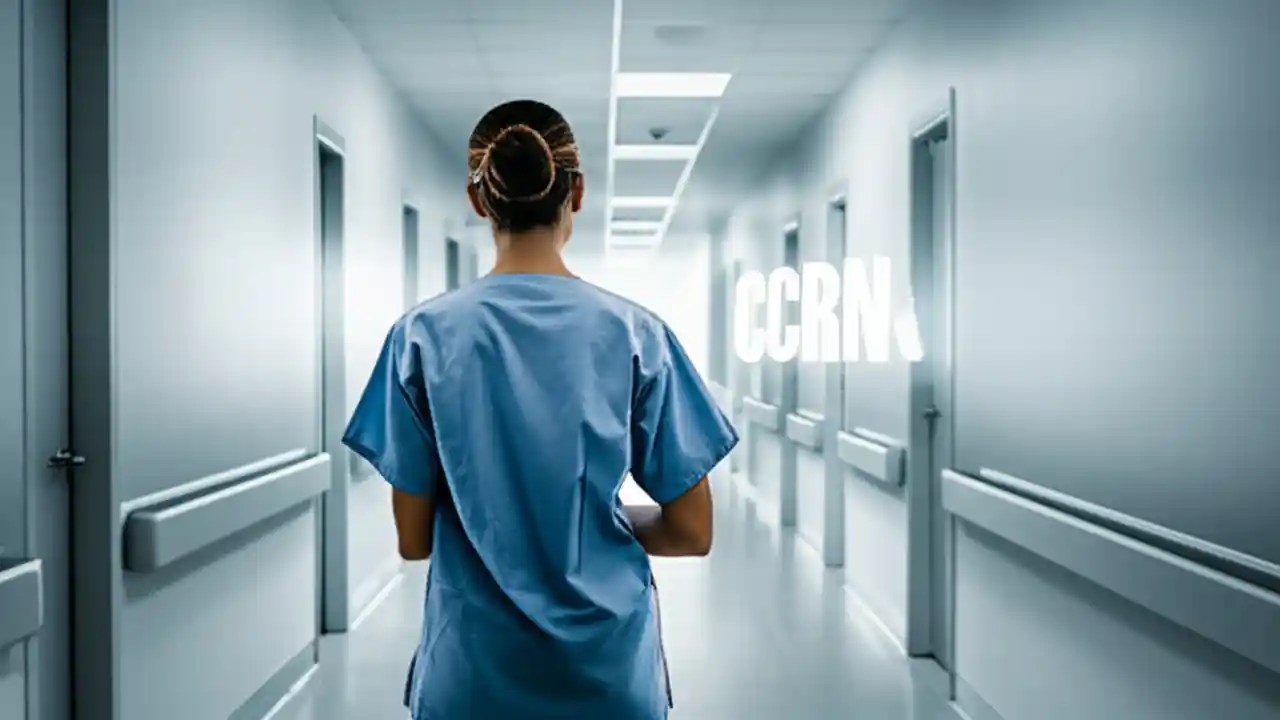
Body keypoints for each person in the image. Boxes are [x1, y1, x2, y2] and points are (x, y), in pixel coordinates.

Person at [341, 98, 739, 720]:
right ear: (575, 194)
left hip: (471, 682)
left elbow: (414, 540)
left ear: (479, 202)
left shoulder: (419, 340)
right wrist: (592, 522)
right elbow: (692, 532)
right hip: (608, 683)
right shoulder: (639, 337)